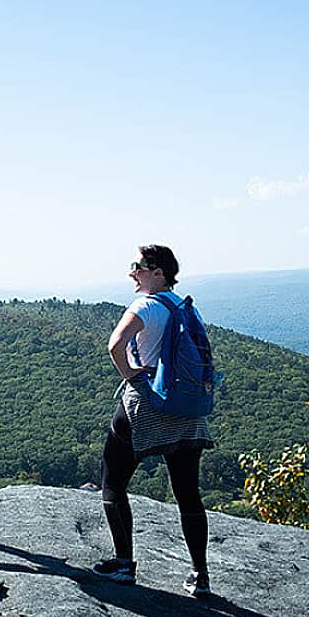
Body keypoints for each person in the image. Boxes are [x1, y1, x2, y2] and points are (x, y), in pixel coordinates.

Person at [93, 244, 215, 596]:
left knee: (113, 481)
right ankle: (199, 575)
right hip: (186, 406)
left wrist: (132, 375)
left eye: (139, 267)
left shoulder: (145, 305)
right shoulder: (185, 306)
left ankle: (123, 565)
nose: (133, 272)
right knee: (188, 492)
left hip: (147, 404)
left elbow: (115, 345)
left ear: (158, 273)